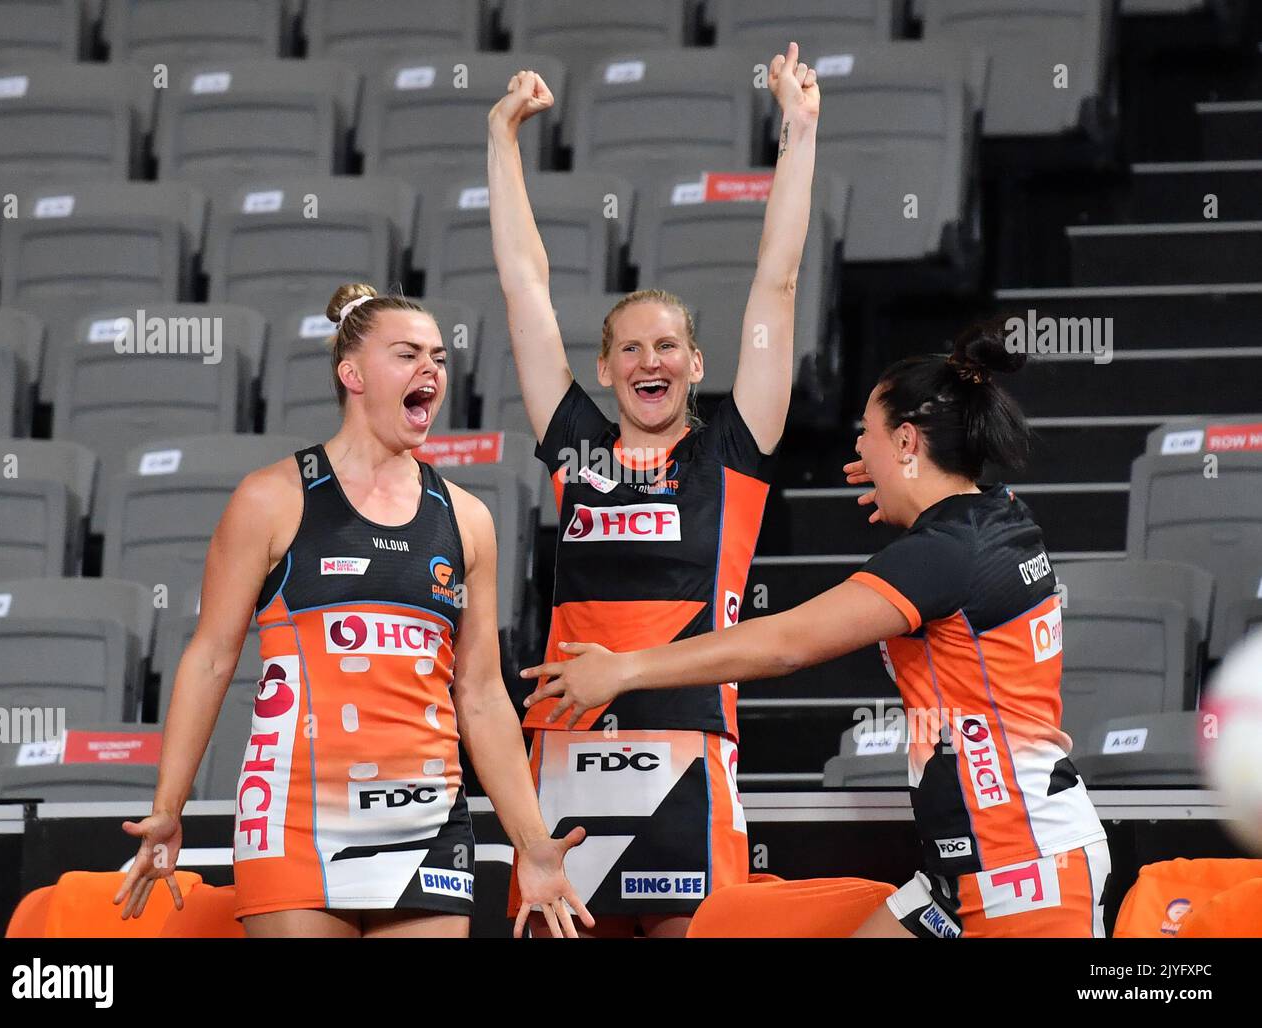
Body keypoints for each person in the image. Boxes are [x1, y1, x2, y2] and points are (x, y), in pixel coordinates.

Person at [521, 323, 1113, 939]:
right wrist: (910, 491)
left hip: (1023, 869)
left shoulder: (946, 554)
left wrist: (625, 668)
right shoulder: (997, 517)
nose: (858, 449)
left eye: (870, 433)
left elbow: (785, 645)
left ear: (908, 439)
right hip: (954, 875)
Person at [114, 284, 593, 939]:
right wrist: (169, 808)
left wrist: (532, 840)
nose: (431, 370)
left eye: (439, 358)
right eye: (407, 355)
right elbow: (210, 658)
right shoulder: (270, 499)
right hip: (294, 816)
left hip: (427, 822)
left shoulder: (468, 519)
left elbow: (480, 695)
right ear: (352, 373)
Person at [486, 43, 820, 937]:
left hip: (687, 751)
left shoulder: (731, 456)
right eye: (629, 348)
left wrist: (801, 127)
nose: (649, 361)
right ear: (604, 367)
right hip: (563, 755)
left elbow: (776, 285)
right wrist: (501, 140)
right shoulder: (578, 455)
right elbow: (524, 289)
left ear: (696, 365)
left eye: (667, 345)